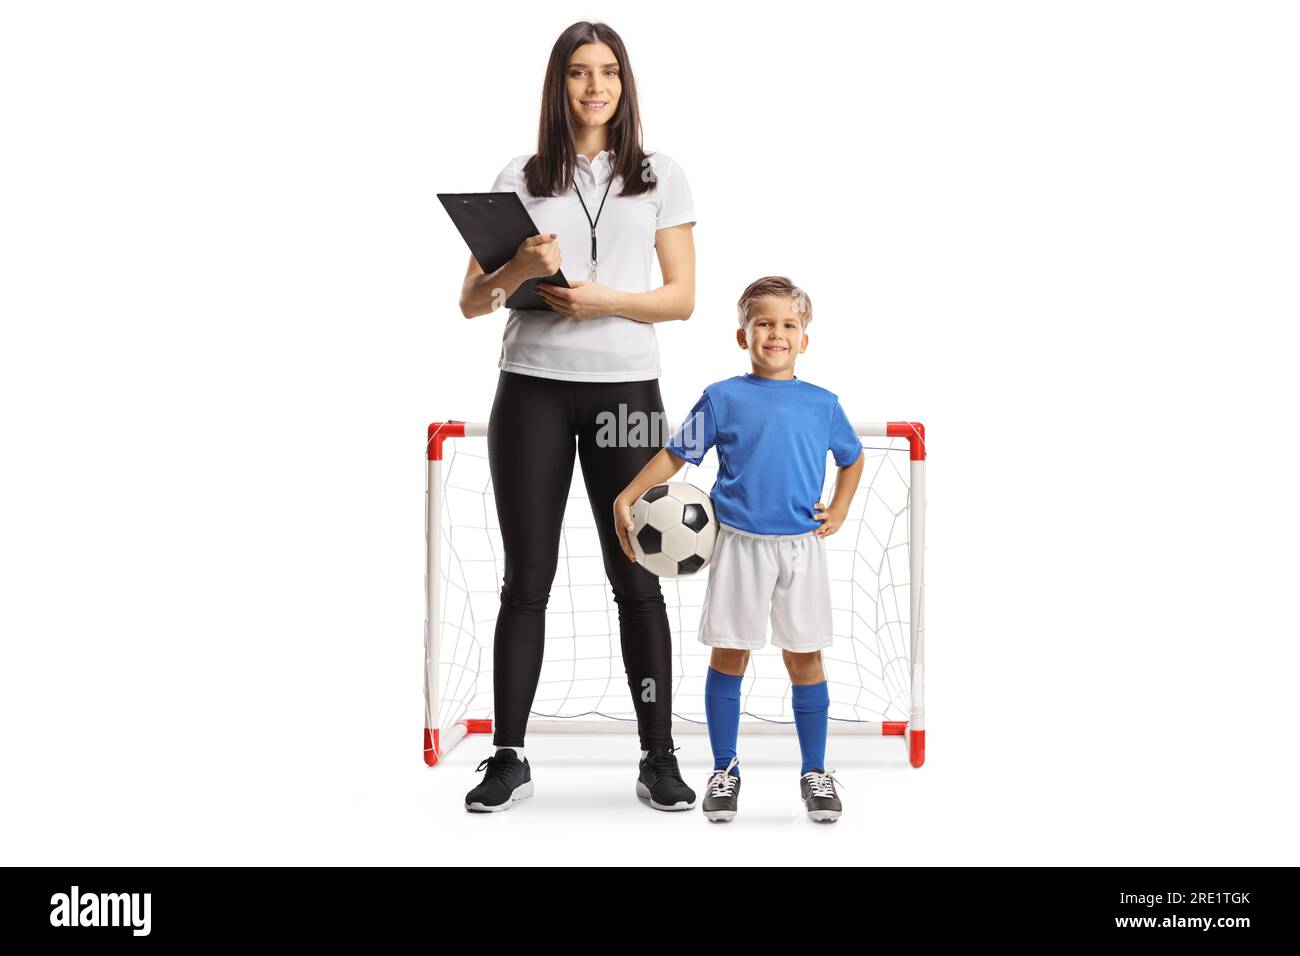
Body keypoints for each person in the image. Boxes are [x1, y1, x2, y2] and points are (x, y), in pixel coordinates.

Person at [458, 21, 698, 813]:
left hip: (625, 392)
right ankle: (508, 755)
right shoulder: (519, 175)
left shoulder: (660, 175)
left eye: (607, 73)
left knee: (637, 576)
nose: (594, 87)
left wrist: (606, 301)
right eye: (577, 74)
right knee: (526, 581)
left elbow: (682, 298)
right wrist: (522, 265)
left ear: (624, 84)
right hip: (530, 387)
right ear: (557, 86)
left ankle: (658, 756)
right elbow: (471, 302)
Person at [614, 276, 866, 823]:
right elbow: (677, 454)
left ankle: (815, 773)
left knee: (806, 658)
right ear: (742, 335)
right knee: (729, 654)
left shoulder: (823, 404)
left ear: (805, 339)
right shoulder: (722, 397)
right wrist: (630, 493)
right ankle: (724, 769)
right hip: (739, 547)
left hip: (800, 549)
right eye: (764, 323)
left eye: (788, 325)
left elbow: (852, 457)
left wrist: (841, 507)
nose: (776, 333)